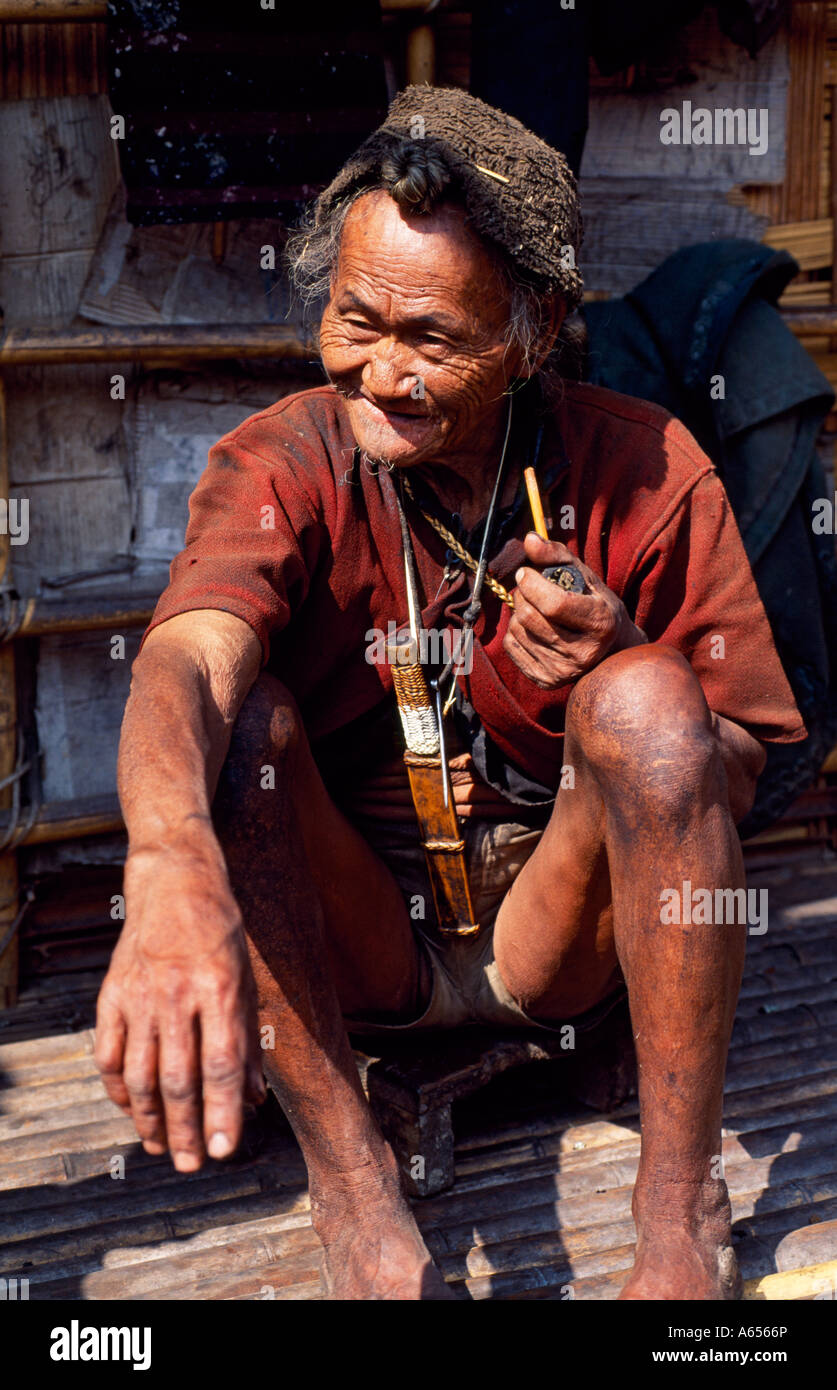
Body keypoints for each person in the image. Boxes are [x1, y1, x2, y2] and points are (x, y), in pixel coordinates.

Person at [95, 86, 806, 1300]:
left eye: (433, 338)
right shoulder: (286, 459)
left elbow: (740, 772)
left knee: (647, 699)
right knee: (242, 731)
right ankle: (353, 1186)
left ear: (537, 327)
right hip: (360, 941)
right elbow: (184, 662)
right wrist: (167, 865)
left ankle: (679, 1206)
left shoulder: (643, 465)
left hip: (553, 946)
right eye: (355, 319)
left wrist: (625, 653)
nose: (383, 370)